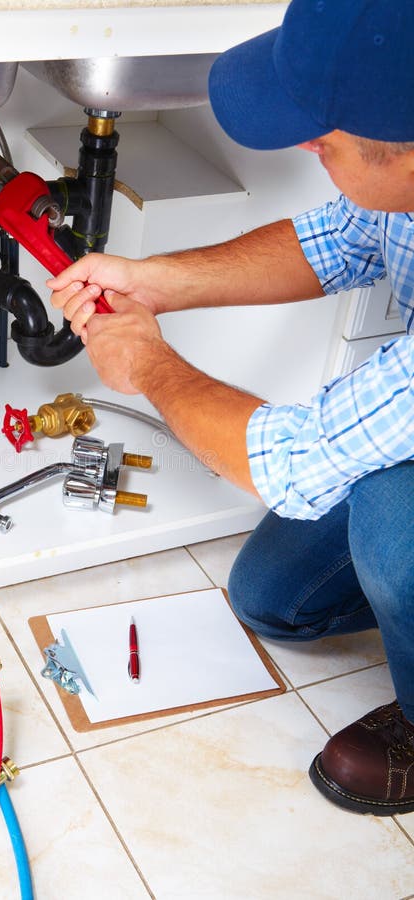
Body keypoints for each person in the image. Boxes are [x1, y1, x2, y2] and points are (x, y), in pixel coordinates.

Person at [47, 0, 414, 817]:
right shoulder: (402, 182)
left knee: (396, 527)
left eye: (324, 135)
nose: (305, 144)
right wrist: (153, 282)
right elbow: (340, 241)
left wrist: (146, 362)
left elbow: (295, 464)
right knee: (275, 599)